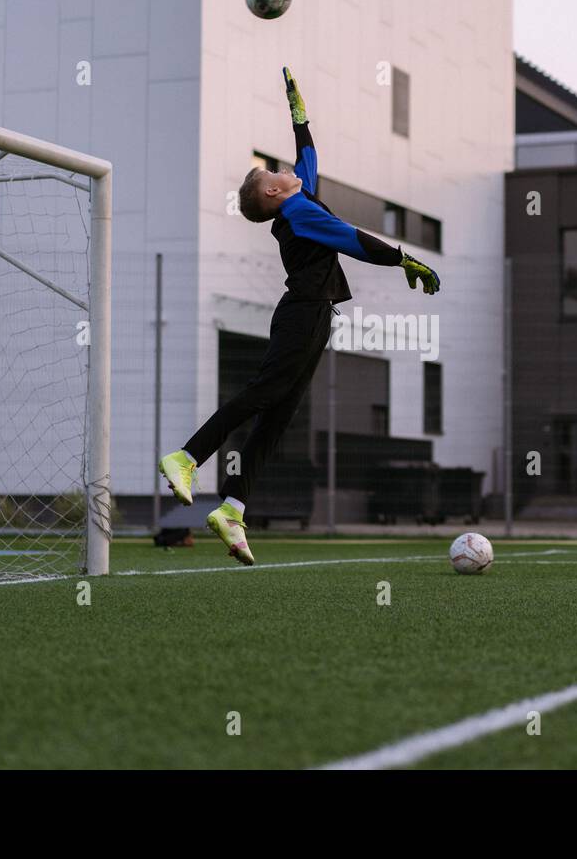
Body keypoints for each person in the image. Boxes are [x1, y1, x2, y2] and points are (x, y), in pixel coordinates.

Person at [157, 68, 441, 565]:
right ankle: (187, 457)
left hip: (316, 315)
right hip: (303, 313)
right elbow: (351, 238)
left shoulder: (300, 194)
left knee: (279, 415)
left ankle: (232, 508)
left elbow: (308, 156)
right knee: (266, 393)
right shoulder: (298, 212)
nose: (284, 170)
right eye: (274, 173)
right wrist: (402, 258)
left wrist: (299, 114)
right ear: (273, 194)